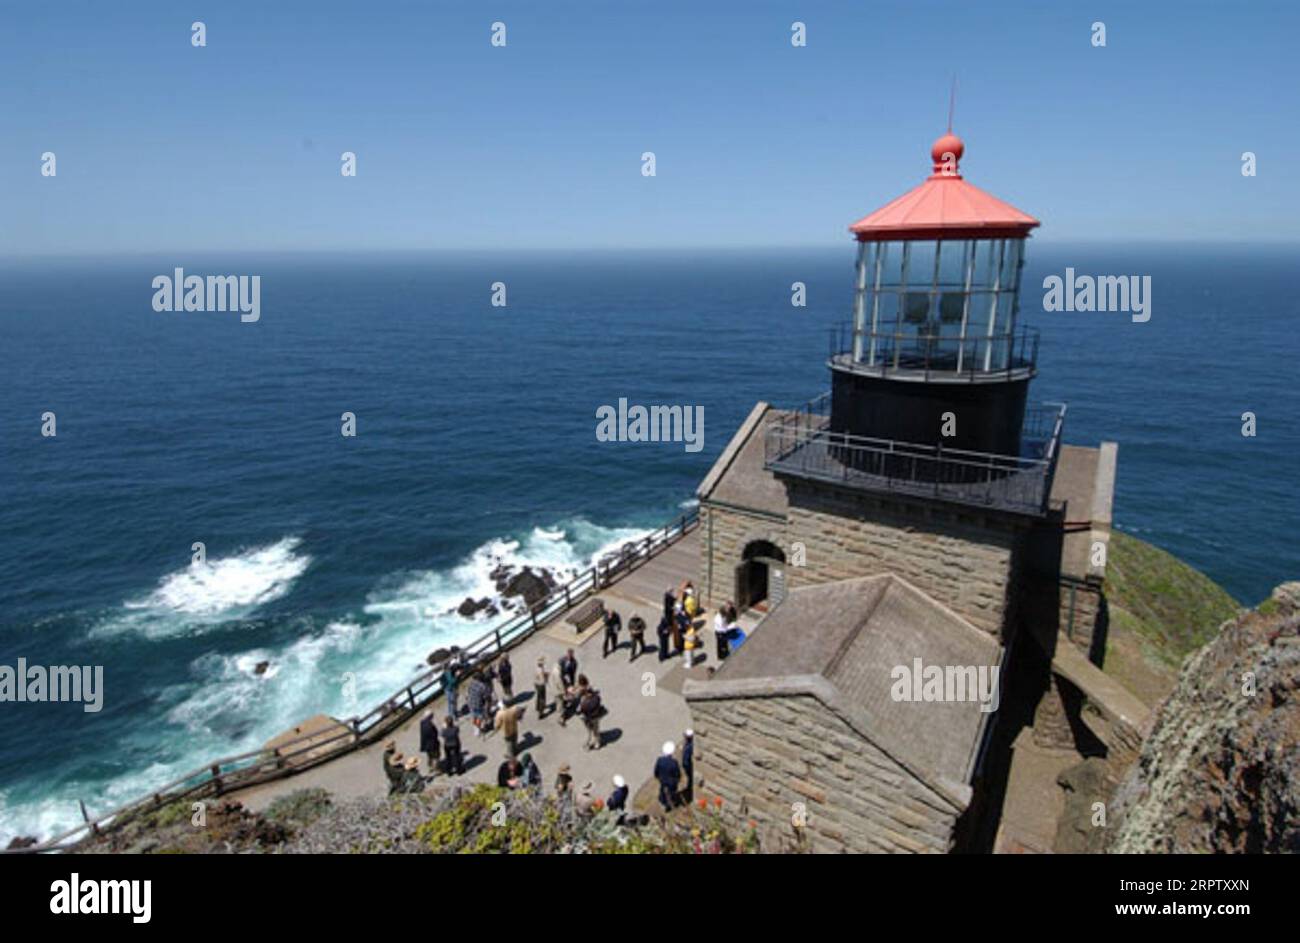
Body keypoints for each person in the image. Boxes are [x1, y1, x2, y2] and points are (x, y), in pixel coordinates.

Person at [654, 740, 682, 812]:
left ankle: (663, 802)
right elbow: (677, 773)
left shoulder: (660, 760)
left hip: (663, 780)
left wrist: (657, 777)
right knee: (672, 793)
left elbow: (656, 770)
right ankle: (670, 804)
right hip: (672, 782)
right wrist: (677, 779)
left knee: (663, 791)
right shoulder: (674, 762)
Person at [579, 685, 603, 751]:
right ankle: (597, 744)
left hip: (588, 719)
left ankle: (588, 745)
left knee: (589, 732)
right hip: (596, 717)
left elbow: (581, 711)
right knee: (596, 730)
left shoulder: (584, 701)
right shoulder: (597, 698)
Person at [418, 709, 441, 774]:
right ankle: (436, 769)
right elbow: (434, 735)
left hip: (426, 744)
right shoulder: (430, 725)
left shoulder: (422, 723)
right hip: (432, 744)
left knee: (430, 756)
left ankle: (430, 767)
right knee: (436, 757)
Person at [682, 729, 695, 800]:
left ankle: (689, 789)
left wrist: (685, 766)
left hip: (688, 765)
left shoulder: (689, 746)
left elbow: (686, 759)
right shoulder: (689, 744)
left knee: (690, 777)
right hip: (688, 764)